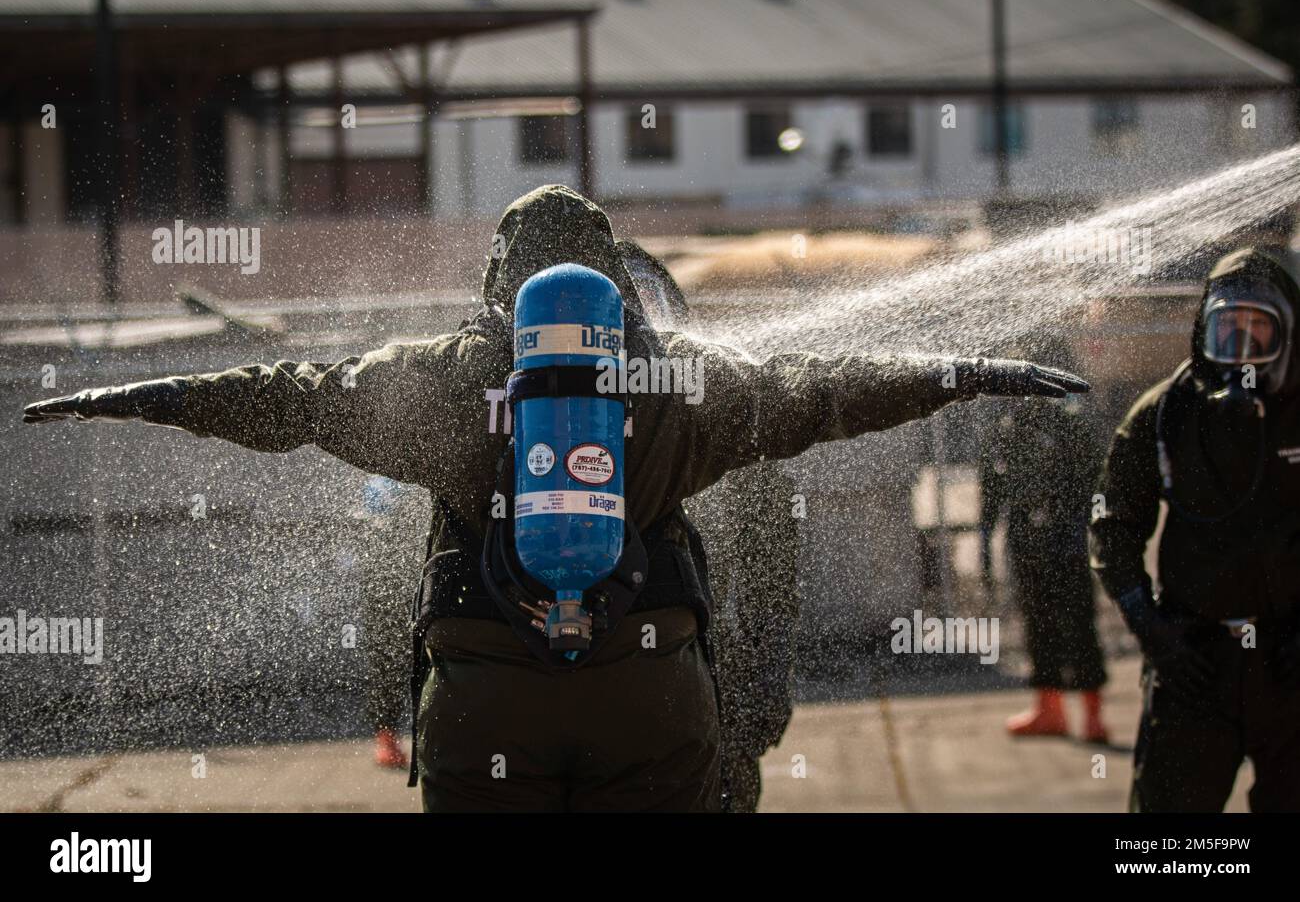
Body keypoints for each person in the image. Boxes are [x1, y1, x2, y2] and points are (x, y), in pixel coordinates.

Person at [24, 184, 1087, 812]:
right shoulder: (683, 382)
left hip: (488, 694)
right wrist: (972, 369)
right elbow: (833, 389)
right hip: (653, 693)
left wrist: (134, 396)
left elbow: (284, 399)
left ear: (500, 280)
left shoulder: (440, 379)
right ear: (614, 281)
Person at [1090, 246, 1300, 812]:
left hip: (1289, 664)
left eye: (1260, 333)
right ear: (1202, 331)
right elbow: (1113, 528)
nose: (1242, 353)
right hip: (1193, 662)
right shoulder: (1164, 415)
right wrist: (1150, 628)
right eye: (1227, 332)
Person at [621, 239, 801, 813]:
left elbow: (773, 574)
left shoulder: (727, 417)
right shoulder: (563, 437)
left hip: (719, 718)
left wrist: (762, 696)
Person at [980, 394, 1108, 742]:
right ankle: (1055, 712)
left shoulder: (1067, 423)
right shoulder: (1006, 429)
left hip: (1063, 541)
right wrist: (986, 553)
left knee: (1074, 621)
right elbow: (990, 495)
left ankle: (1087, 716)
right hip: (1034, 540)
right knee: (1042, 622)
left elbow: (1097, 485)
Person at [354, 474, 426, 769]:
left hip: (415, 573)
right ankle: (387, 738)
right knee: (386, 660)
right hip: (385, 577)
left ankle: (407, 738)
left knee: (416, 659)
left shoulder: (389, 478)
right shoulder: (381, 479)